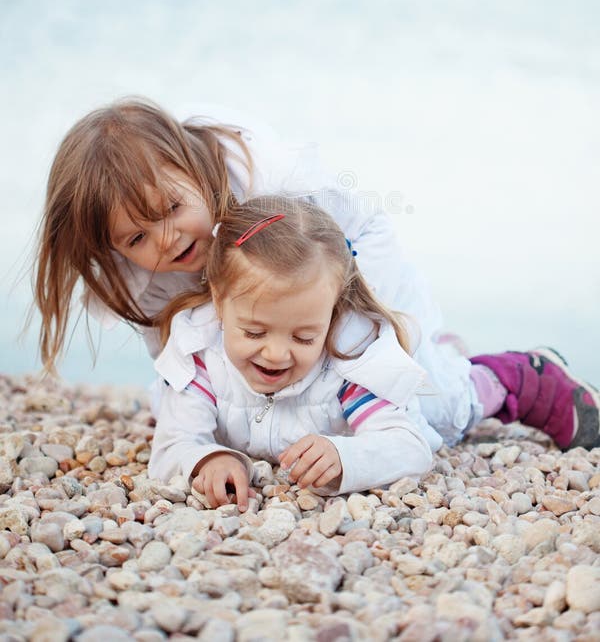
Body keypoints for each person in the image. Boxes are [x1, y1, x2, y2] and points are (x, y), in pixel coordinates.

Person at [34, 98, 599, 461]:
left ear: (192, 165)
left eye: (171, 209)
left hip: (356, 283)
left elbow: (368, 235)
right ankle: (442, 353)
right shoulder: (142, 268)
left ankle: (516, 378)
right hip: (275, 323)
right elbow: (178, 346)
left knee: (432, 410)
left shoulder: (273, 183)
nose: (164, 241)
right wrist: (190, 418)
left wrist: (366, 332)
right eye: (135, 239)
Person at [149, 196, 600, 508]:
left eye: (304, 337)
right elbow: (174, 442)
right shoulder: (201, 357)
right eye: (253, 331)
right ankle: (445, 354)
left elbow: (411, 444)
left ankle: (517, 376)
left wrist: (347, 457)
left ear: (331, 315)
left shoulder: (345, 363)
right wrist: (207, 459)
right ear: (219, 303)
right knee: (439, 378)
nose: (276, 353)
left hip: (439, 397)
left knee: (453, 410)